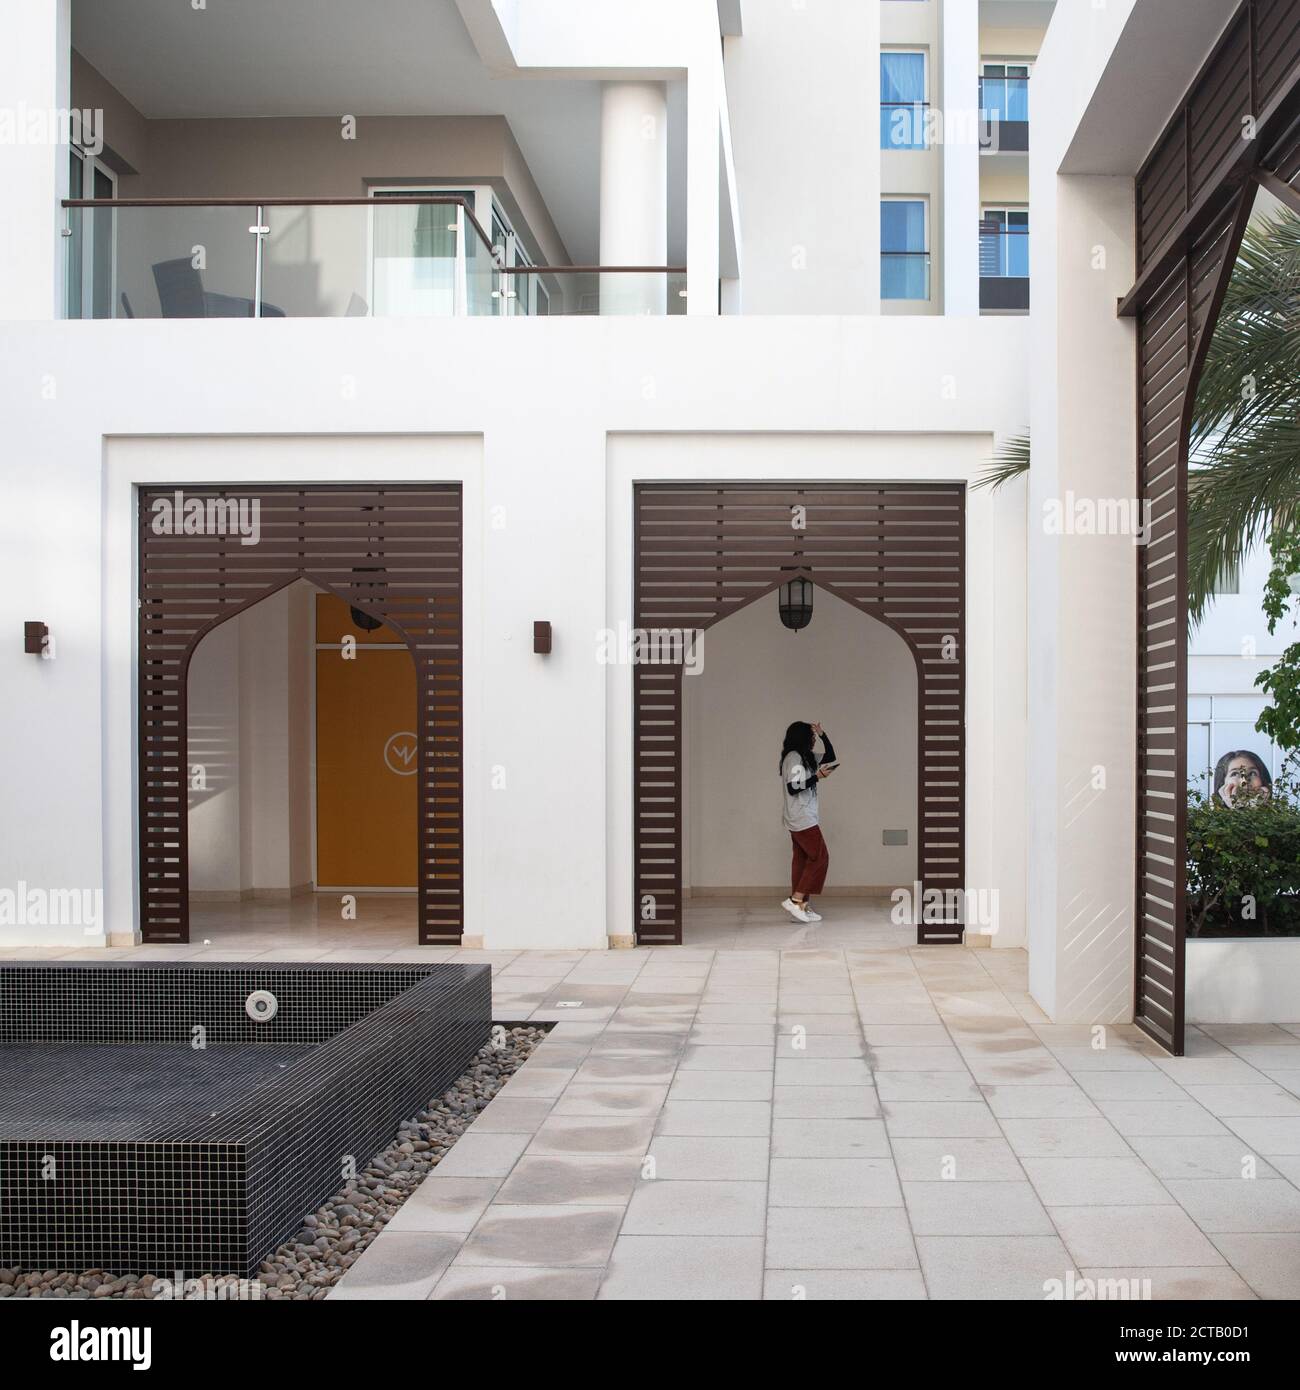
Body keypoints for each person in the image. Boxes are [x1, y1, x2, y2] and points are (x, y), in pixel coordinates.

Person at [779, 720, 836, 924]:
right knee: (820, 857)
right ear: (801, 738)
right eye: (811, 737)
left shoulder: (807, 757)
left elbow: (831, 756)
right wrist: (818, 777)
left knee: (803, 861)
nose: (813, 740)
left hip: (803, 815)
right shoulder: (794, 758)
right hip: (801, 817)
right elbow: (793, 788)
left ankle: (801, 906)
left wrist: (822, 733)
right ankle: (796, 900)